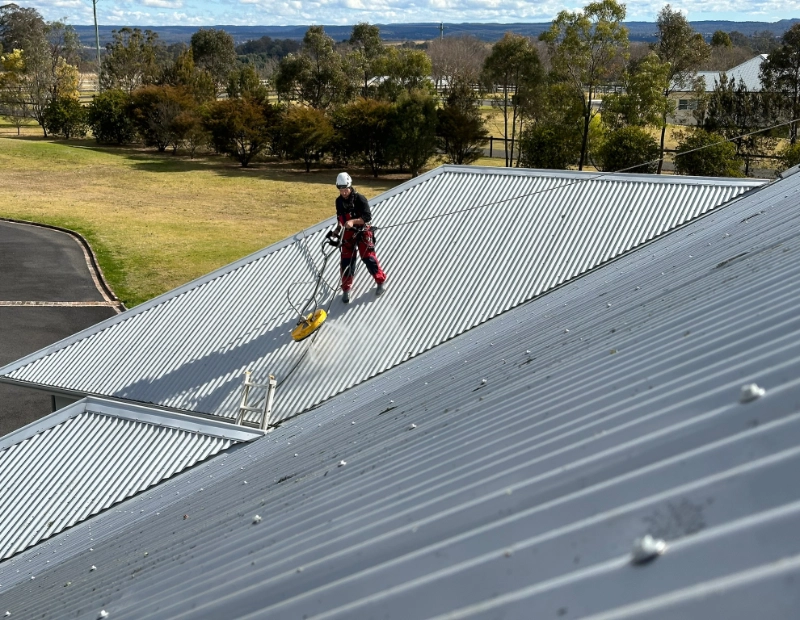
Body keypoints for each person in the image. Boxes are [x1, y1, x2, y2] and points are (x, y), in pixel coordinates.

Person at [333, 172, 386, 303]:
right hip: (348, 233)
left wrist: (353, 222)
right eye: (341, 190)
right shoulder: (338, 201)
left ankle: (380, 281)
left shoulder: (360, 199)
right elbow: (340, 218)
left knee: (368, 257)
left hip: (362, 231)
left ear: (350, 187)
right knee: (346, 261)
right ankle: (346, 288)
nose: (343, 192)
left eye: (345, 189)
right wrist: (338, 229)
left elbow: (367, 217)